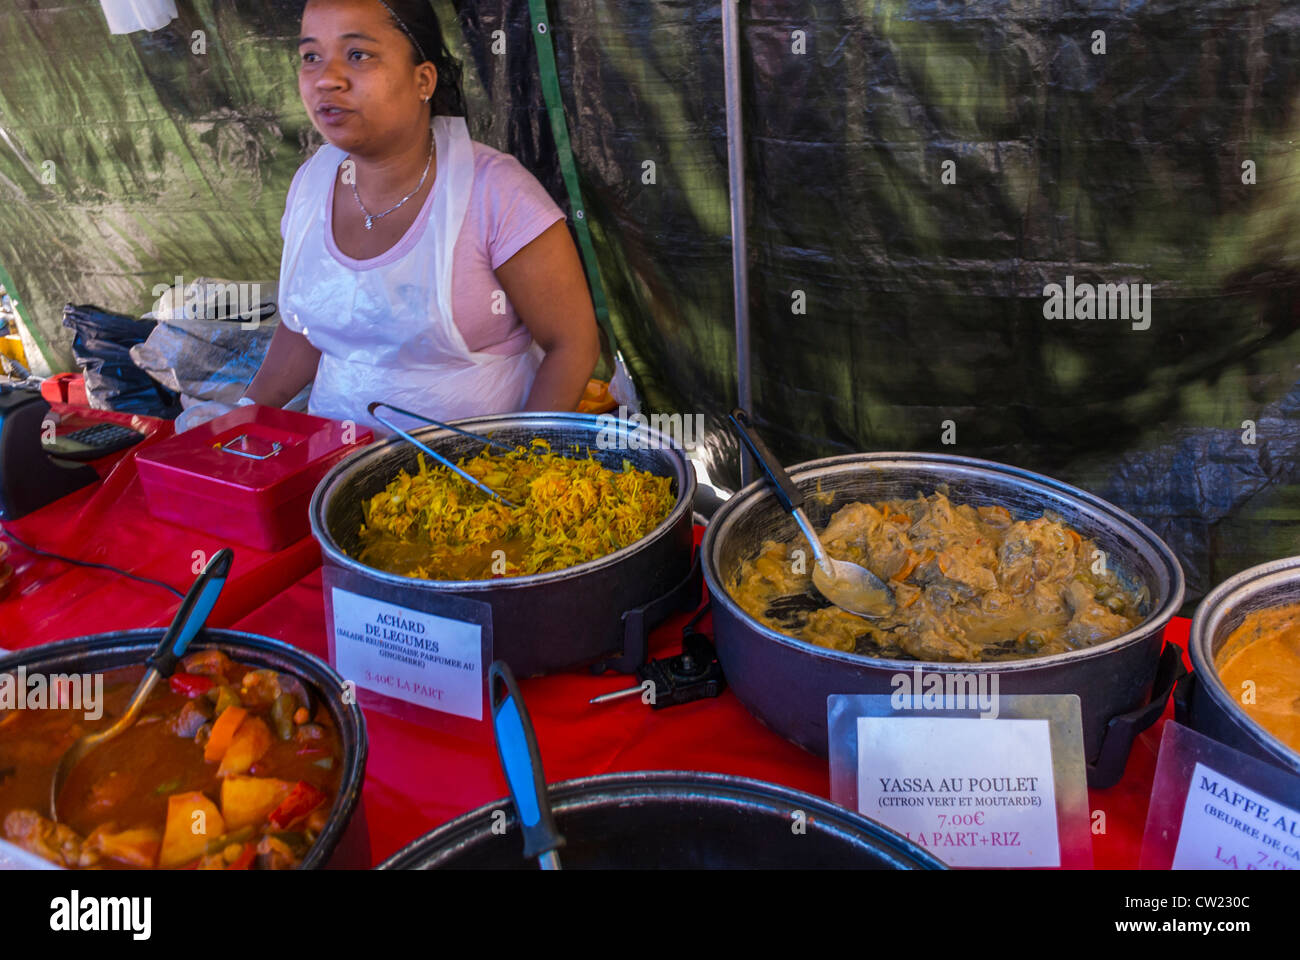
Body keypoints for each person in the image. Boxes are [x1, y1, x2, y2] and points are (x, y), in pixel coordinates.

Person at [177, 0, 599, 432]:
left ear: (423, 79)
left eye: (358, 55)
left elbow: (572, 344)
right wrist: (246, 412)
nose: (327, 79)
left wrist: (523, 463)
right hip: (336, 468)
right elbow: (308, 327)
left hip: (476, 472)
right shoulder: (311, 184)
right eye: (311, 57)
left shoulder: (496, 192)